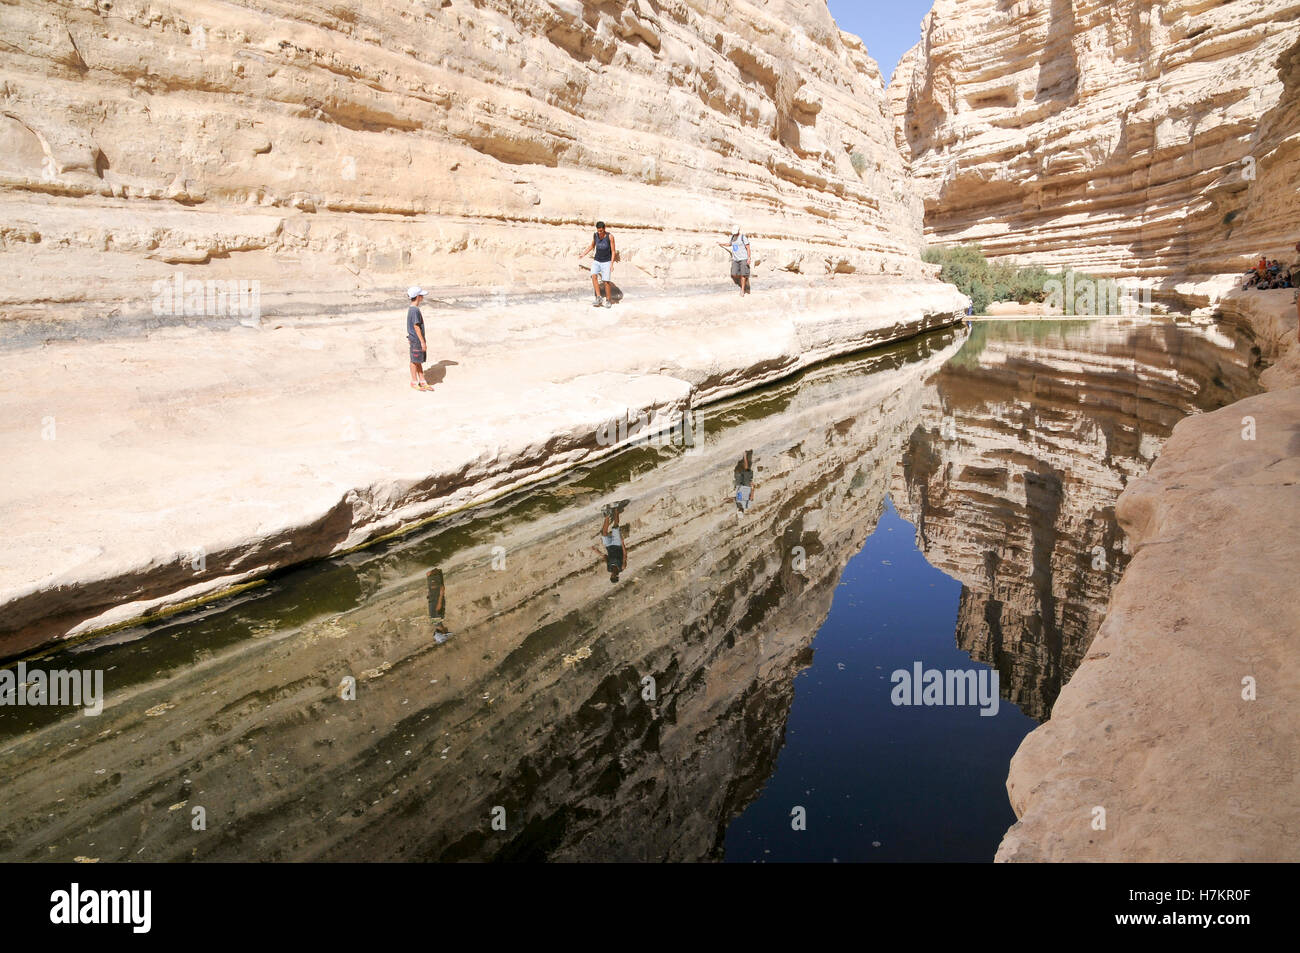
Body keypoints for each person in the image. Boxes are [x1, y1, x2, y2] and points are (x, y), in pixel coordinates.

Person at [580, 222, 615, 308]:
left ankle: (608, 300)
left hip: (606, 261)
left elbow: (613, 251)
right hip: (597, 260)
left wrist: (611, 264)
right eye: (598, 231)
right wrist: (583, 254)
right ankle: (599, 297)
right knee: (593, 275)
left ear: (604, 229)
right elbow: (592, 246)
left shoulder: (610, 237)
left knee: (606, 281)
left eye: (601, 231)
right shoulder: (595, 235)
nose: (600, 233)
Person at [598, 500, 629, 583]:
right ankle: (615, 508)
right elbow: (625, 555)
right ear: (617, 576)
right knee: (615, 527)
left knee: (604, 533)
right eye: (614, 576)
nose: (612, 574)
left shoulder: (609, 568)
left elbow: (605, 557)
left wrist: (596, 551)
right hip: (617, 544)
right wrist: (622, 543)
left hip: (608, 546)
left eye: (611, 576)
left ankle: (607, 515)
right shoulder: (622, 567)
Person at [406, 286, 430, 391]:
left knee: (418, 360)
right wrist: (422, 342)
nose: (423, 297)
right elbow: (416, 327)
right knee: (414, 360)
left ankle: (422, 380)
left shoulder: (412, 309)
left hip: (414, 339)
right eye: (422, 295)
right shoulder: (414, 310)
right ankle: (414, 381)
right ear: (418, 297)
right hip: (416, 339)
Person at [719, 226, 751, 295]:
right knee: (733, 273)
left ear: (738, 231)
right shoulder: (733, 237)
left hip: (743, 259)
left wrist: (749, 258)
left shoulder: (743, 237)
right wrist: (722, 244)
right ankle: (743, 282)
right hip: (735, 259)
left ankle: (742, 290)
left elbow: (748, 247)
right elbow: (730, 244)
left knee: (743, 274)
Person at [426, 568, 451, 642]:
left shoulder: (437, 622)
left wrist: (441, 594)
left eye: (446, 632)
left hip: (436, 595)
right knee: (437, 572)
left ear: (442, 632)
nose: (447, 630)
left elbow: (437, 608)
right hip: (434, 596)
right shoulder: (436, 623)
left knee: (433, 572)